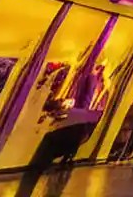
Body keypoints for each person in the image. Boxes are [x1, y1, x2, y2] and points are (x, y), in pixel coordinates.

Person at [15, 67, 106, 197]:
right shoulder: (80, 110)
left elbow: (86, 102)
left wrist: (92, 77)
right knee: (45, 171)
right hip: (69, 137)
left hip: (61, 136)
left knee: (36, 169)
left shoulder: (77, 109)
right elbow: (88, 103)